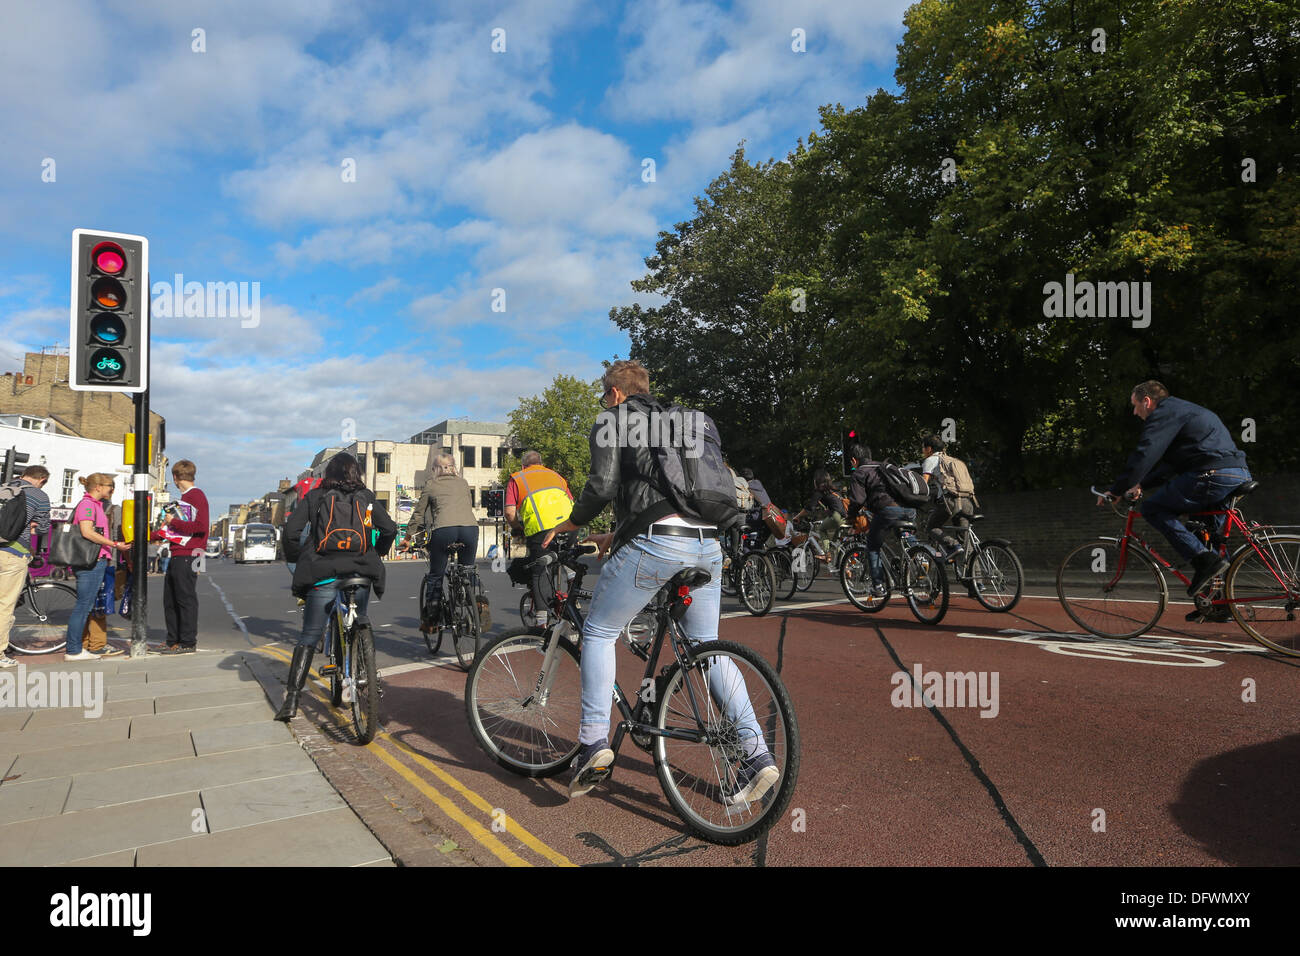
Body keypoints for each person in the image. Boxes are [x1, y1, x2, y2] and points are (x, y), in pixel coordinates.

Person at [542, 359, 778, 803]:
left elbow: (602, 485)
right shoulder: (677, 424)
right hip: (707, 543)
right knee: (707, 649)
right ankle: (756, 756)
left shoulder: (614, 419)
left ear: (614, 394)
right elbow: (668, 499)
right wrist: (615, 534)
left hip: (656, 544)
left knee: (598, 630)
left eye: (602, 397)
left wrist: (571, 524)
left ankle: (593, 744)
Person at [1100, 381, 1251, 600]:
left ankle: (1203, 561)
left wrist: (1116, 490)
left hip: (1212, 474)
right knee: (1208, 535)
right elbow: (1173, 465)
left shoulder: (1165, 413)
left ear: (1147, 401)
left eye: (1135, 405)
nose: (1134, 412)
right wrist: (1141, 483)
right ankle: (1220, 603)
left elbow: (1145, 453)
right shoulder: (1186, 410)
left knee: (1152, 508)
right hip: (1236, 473)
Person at [277, 452, 396, 720]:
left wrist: (299, 560)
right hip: (361, 572)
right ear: (356, 473)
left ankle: (292, 701)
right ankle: (362, 667)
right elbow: (389, 528)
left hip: (323, 573)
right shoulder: (365, 497)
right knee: (357, 622)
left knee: (309, 635)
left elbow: (291, 532)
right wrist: (376, 552)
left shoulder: (316, 496)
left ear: (328, 474)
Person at [407, 453, 479, 629]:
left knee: (436, 574)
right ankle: (474, 600)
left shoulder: (431, 484)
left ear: (436, 469)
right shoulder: (463, 483)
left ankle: (432, 618)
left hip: (444, 530)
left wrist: (408, 537)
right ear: (453, 467)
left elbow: (419, 513)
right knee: (467, 568)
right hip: (470, 528)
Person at [504, 450, 573, 627]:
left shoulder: (518, 478)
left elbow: (510, 512)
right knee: (567, 559)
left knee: (539, 570)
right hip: (569, 526)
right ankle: (574, 594)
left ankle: (541, 621)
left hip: (541, 530)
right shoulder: (557, 476)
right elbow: (570, 500)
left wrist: (518, 528)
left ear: (522, 466)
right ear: (542, 464)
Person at [64, 474, 130, 662]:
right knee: (83, 606)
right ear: (99, 487)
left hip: (97, 560)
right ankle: (74, 650)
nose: (112, 490)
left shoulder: (95, 505)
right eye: (110, 486)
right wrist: (114, 544)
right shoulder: (87, 505)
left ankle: (78, 647)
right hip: (90, 561)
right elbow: (86, 531)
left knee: (87, 605)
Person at [150, 460, 209, 653]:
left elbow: (201, 527)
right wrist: (145, 537)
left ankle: (187, 642)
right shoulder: (185, 499)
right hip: (179, 554)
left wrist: (173, 521)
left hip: (189, 554)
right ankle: (172, 640)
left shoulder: (196, 496)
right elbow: (169, 531)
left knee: (185, 599)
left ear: (175, 478)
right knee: (171, 600)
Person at [846, 442, 915, 596]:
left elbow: (857, 501)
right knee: (904, 534)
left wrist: (850, 517)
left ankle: (878, 585)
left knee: (872, 546)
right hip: (909, 508)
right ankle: (919, 556)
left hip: (888, 510)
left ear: (854, 460)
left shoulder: (859, 473)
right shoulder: (885, 467)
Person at [0, 465, 52, 667]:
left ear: (22, 475)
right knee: (4, 604)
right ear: (42, 479)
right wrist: (31, 526)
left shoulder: (4, 487)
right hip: (13, 553)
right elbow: (43, 528)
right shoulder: (39, 495)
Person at [920, 435, 973, 562]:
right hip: (967, 501)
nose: (922, 450)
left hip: (950, 501)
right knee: (965, 542)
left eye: (923, 447)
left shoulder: (930, 460)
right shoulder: (952, 460)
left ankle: (952, 544)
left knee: (931, 528)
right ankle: (976, 579)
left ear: (929, 449)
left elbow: (923, 484)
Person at [792, 468, 847, 563]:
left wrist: (797, 516)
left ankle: (826, 555)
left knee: (821, 529)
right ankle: (845, 568)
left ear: (816, 481)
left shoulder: (820, 491)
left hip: (837, 516)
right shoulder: (834, 488)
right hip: (846, 516)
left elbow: (809, 507)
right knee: (836, 543)